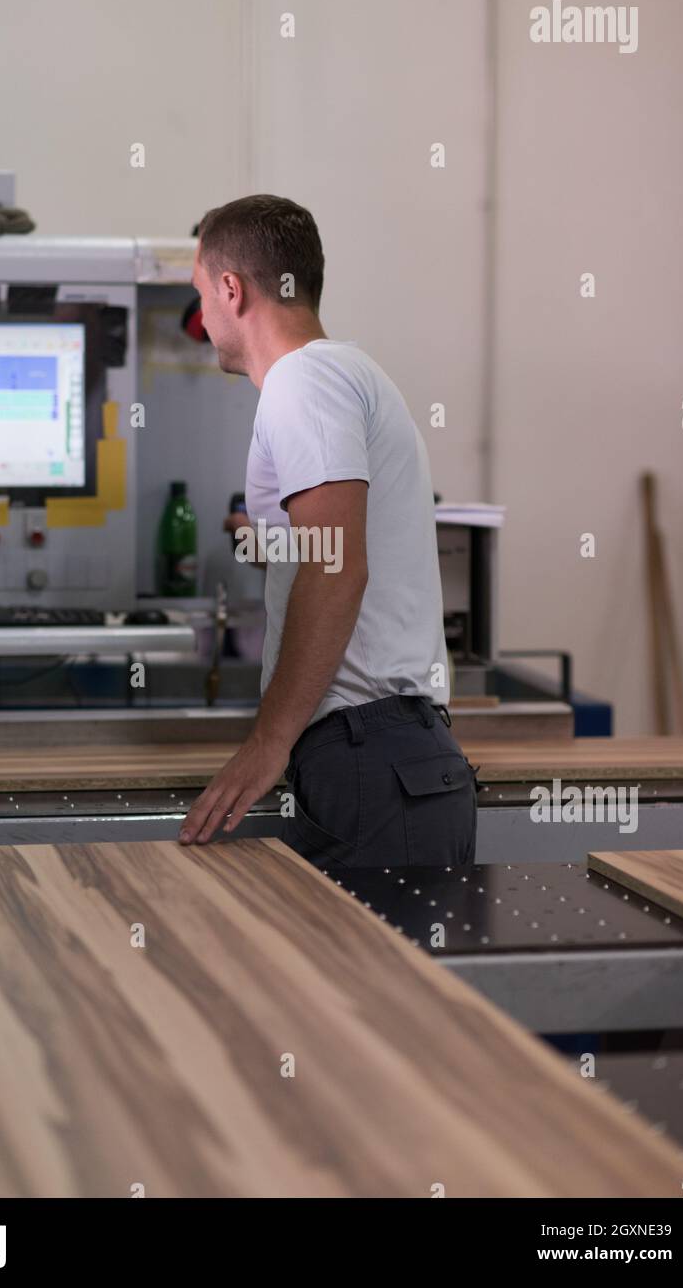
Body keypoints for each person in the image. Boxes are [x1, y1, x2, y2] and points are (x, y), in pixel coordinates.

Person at [179, 194, 477, 867]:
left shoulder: (303, 381)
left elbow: (337, 565)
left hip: (369, 754)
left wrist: (266, 742)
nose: (199, 317)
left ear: (231, 289)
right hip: (387, 756)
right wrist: (268, 545)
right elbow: (330, 552)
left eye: (199, 293)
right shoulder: (341, 372)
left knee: (368, 976)